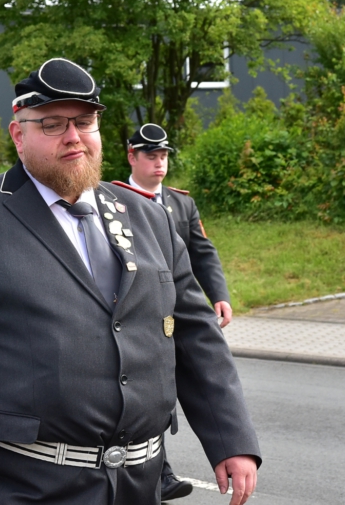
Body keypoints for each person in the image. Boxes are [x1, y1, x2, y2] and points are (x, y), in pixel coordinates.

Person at [0, 58, 261, 505]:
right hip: (26, 483)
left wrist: (231, 438)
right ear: (18, 135)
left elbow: (196, 334)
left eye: (85, 121)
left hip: (140, 484)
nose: (73, 136)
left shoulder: (148, 218)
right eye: (52, 124)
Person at [120, 123, 234, 501]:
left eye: (164, 156)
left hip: (175, 316)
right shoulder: (113, 201)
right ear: (132, 157)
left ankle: (158, 468)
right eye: (151, 156)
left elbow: (202, 252)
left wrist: (219, 295)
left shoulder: (181, 203)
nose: (160, 163)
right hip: (136, 316)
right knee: (146, 389)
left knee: (167, 388)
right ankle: (160, 470)